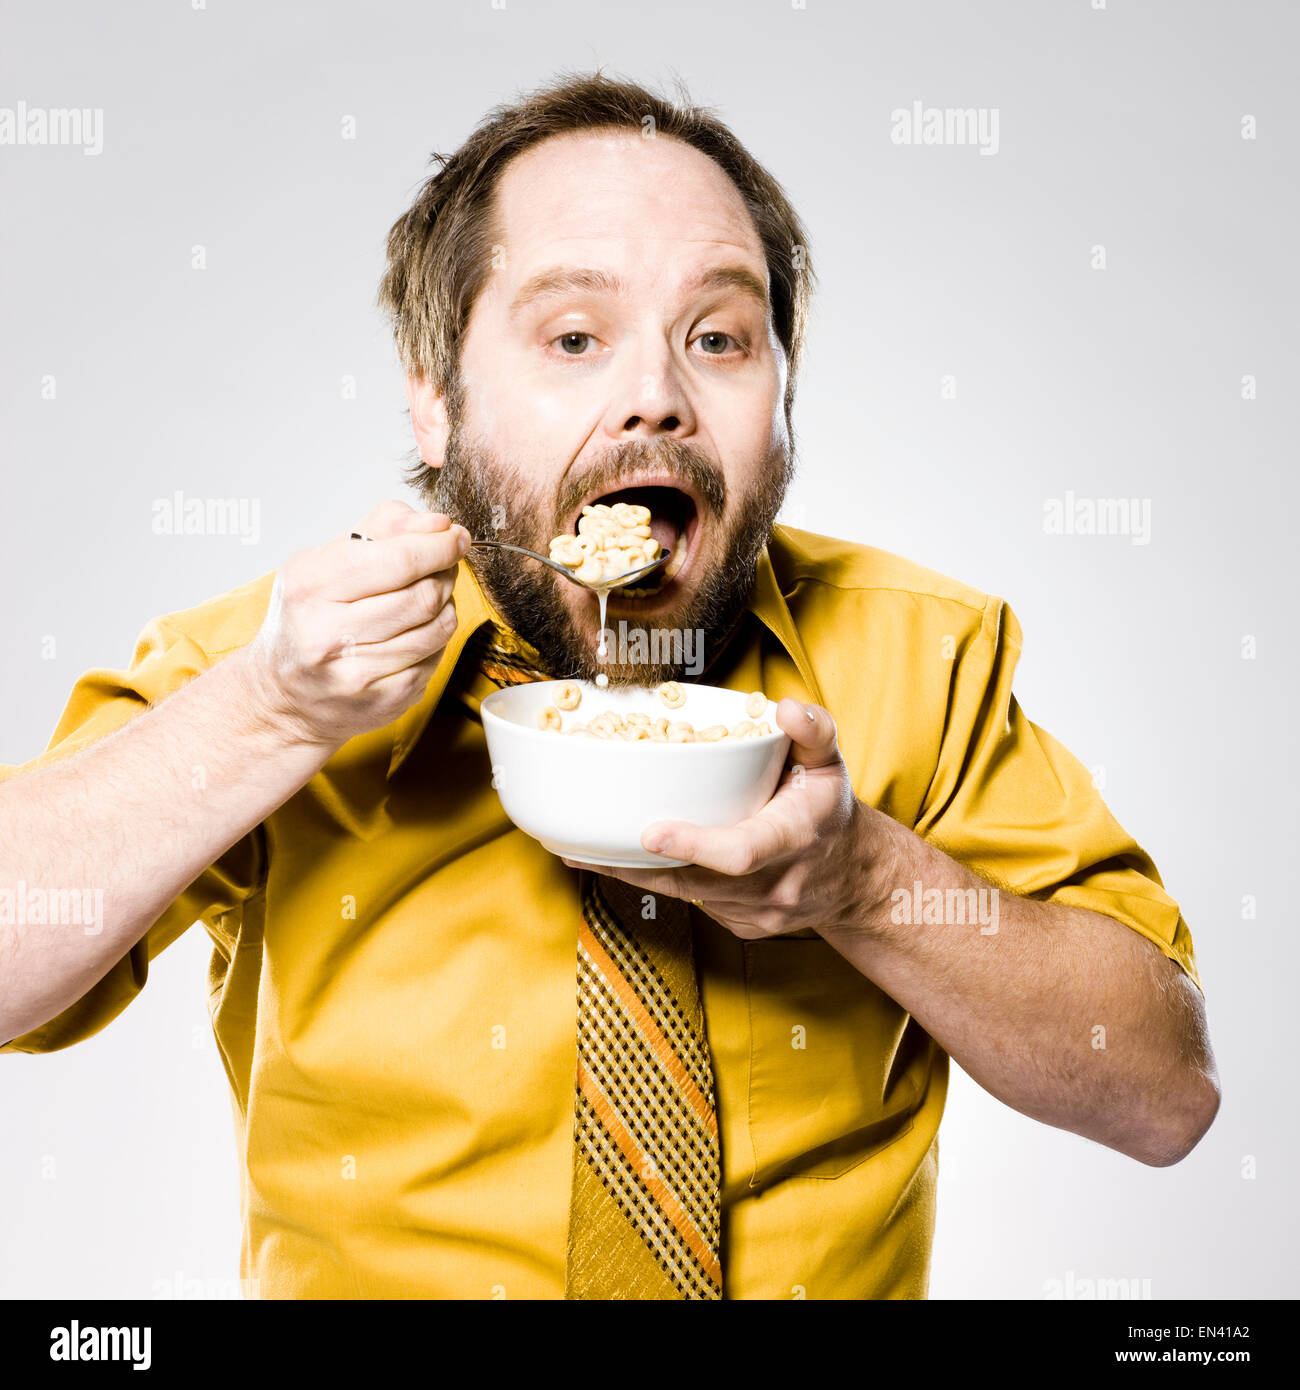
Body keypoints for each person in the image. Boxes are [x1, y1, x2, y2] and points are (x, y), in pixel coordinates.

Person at [0, 72, 1218, 1300]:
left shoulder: (921, 654)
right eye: (574, 338)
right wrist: (266, 716)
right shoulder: (275, 665)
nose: (659, 398)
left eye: (720, 339)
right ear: (435, 398)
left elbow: (1166, 1094)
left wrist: (864, 882)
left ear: (782, 406)